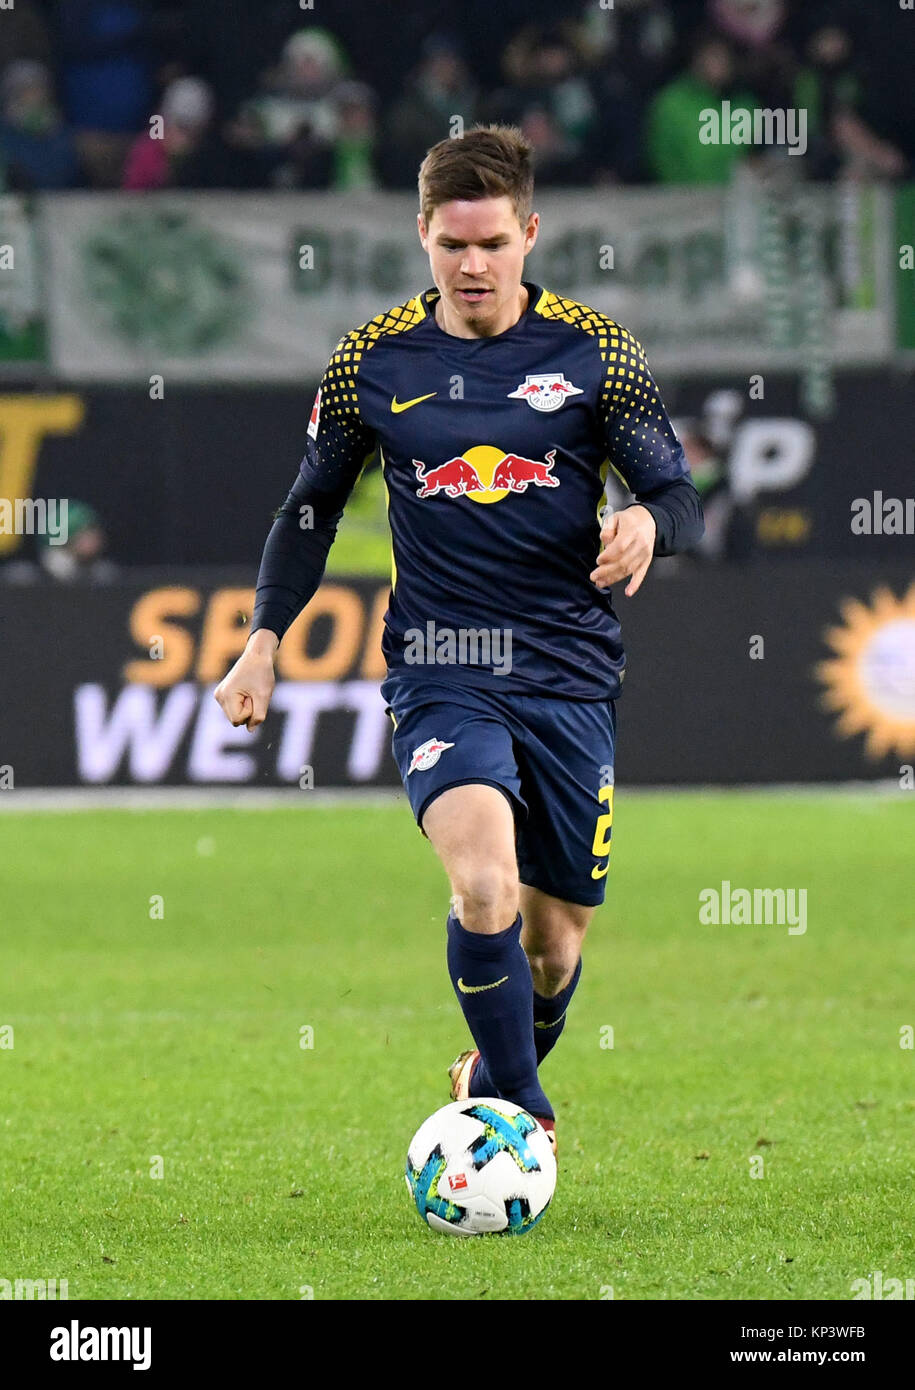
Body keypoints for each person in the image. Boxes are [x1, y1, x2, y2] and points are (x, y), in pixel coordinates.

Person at [214, 125, 703, 1156]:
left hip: (571, 673)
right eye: (450, 245)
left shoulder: (596, 351)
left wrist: (651, 523)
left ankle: (490, 1071)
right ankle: (521, 1121)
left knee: (555, 949)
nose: (471, 265)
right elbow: (306, 511)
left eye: (490, 243)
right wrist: (263, 639)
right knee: (481, 879)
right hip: (442, 671)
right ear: (422, 236)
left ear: (529, 233)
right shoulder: (373, 358)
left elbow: (675, 489)